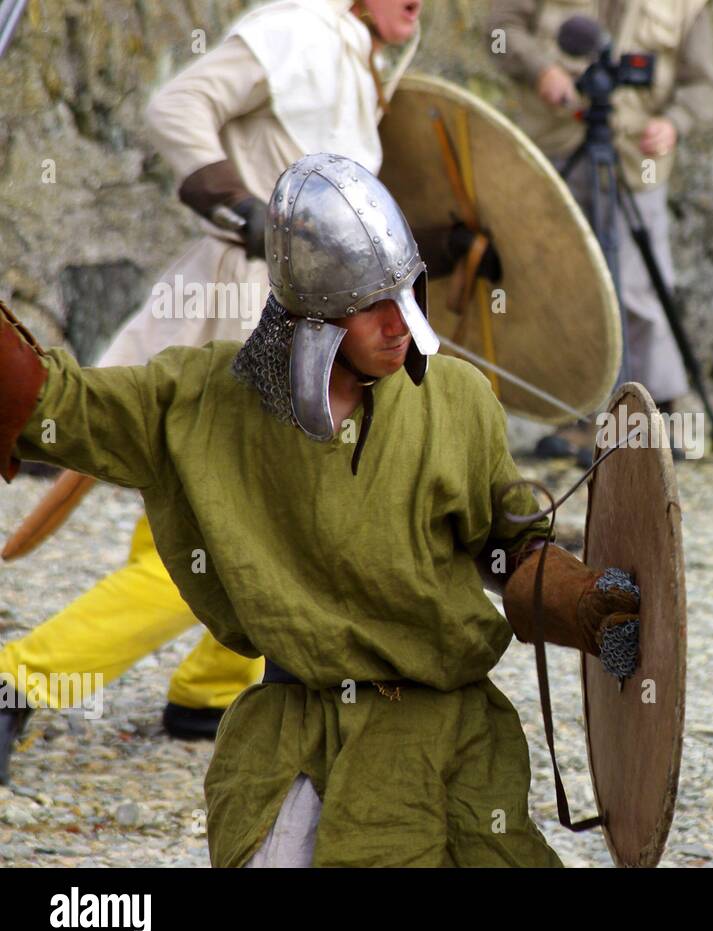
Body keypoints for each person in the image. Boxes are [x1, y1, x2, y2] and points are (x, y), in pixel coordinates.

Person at [0, 153, 641, 866]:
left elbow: (513, 548)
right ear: (310, 314)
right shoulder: (203, 401)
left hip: (449, 729)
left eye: (406, 292)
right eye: (372, 304)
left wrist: (584, 604)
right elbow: (51, 406)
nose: (401, 323)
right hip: (297, 734)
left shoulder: (458, 401)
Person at [0, 0, 427, 780]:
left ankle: (210, 686)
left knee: (219, 496)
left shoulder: (358, 54)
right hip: (252, 306)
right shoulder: (299, 28)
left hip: (300, 310)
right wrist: (244, 208)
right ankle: (19, 678)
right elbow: (178, 106)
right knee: (239, 519)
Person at [486, 0, 713, 459]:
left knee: (640, 289)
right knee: (560, 284)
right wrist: (541, 71)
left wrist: (674, 125)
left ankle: (654, 414)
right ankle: (575, 414)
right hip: (555, 149)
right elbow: (500, 30)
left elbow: (705, 87)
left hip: (637, 162)